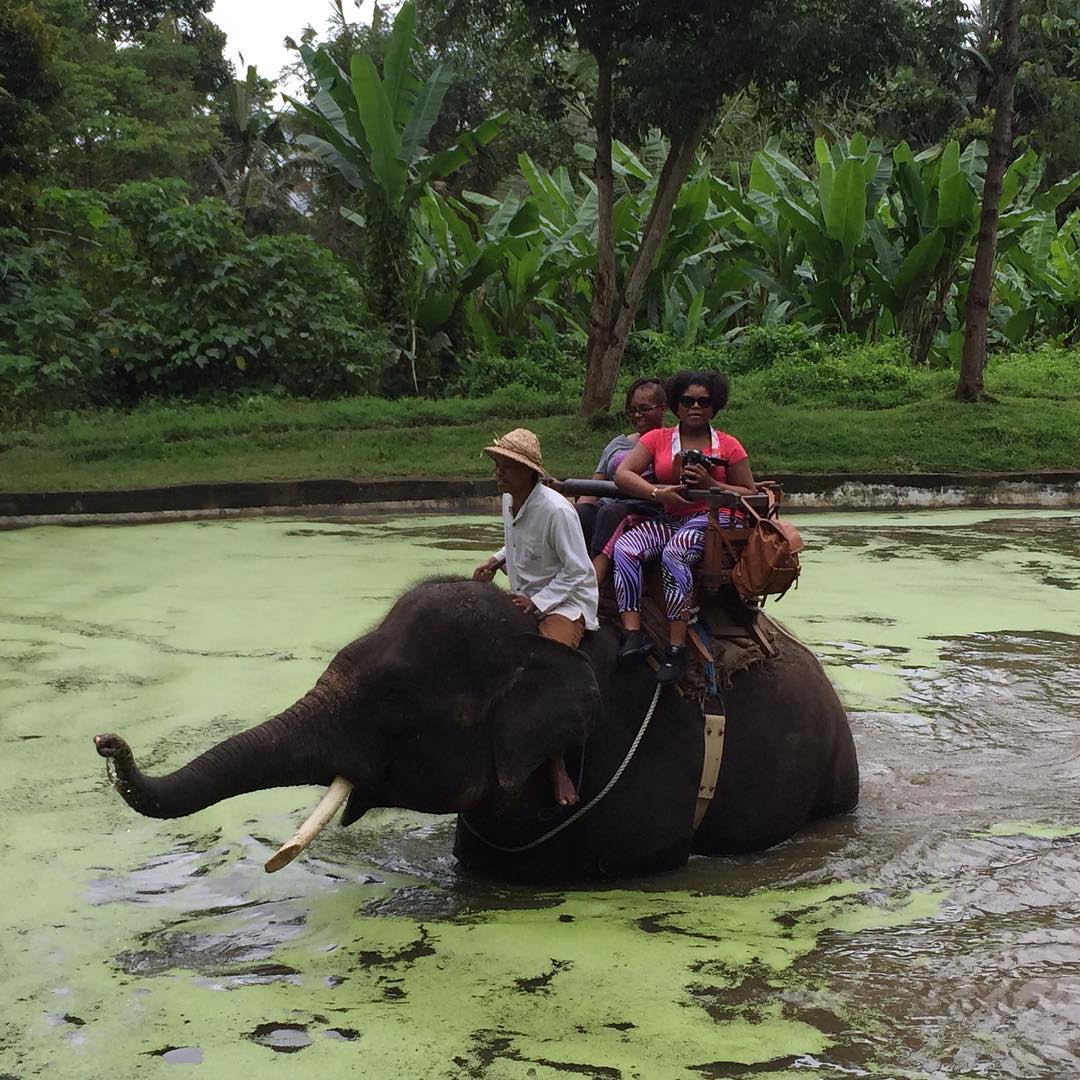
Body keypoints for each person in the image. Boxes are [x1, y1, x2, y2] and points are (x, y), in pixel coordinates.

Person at [473, 428, 599, 806]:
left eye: (507, 467)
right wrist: (496, 559)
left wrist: (539, 603)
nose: (499, 473)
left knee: (545, 670)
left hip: (564, 602)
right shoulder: (509, 500)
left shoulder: (557, 510)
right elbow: (518, 541)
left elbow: (579, 569)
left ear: (530, 472)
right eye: (497, 465)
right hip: (523, 595)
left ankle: (557, 766)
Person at [612, 371, 756, 686]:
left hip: (714, 520)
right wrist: (657, 492)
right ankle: (632, 632)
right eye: (687, 401)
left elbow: (750, 493)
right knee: (626, 548)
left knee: (675, 552)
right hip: (672, 516)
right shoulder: (657, 439)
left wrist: (712, 483)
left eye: (704, 401)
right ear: (676, 405)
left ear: (714, 406)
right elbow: (623, 474)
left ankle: (676, 646)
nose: (695, 407)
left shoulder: (728, 445)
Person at [575, 377, 667, 585]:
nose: (637, 415)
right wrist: (573, 513)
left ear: (662, 409)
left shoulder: (669, 442)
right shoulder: (617, 443)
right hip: (608, 505)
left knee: (610, 513)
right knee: (578, 514)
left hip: (644, 509)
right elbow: (595, 487)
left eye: (644, 409)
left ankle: (592, 584)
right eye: (632, 410)